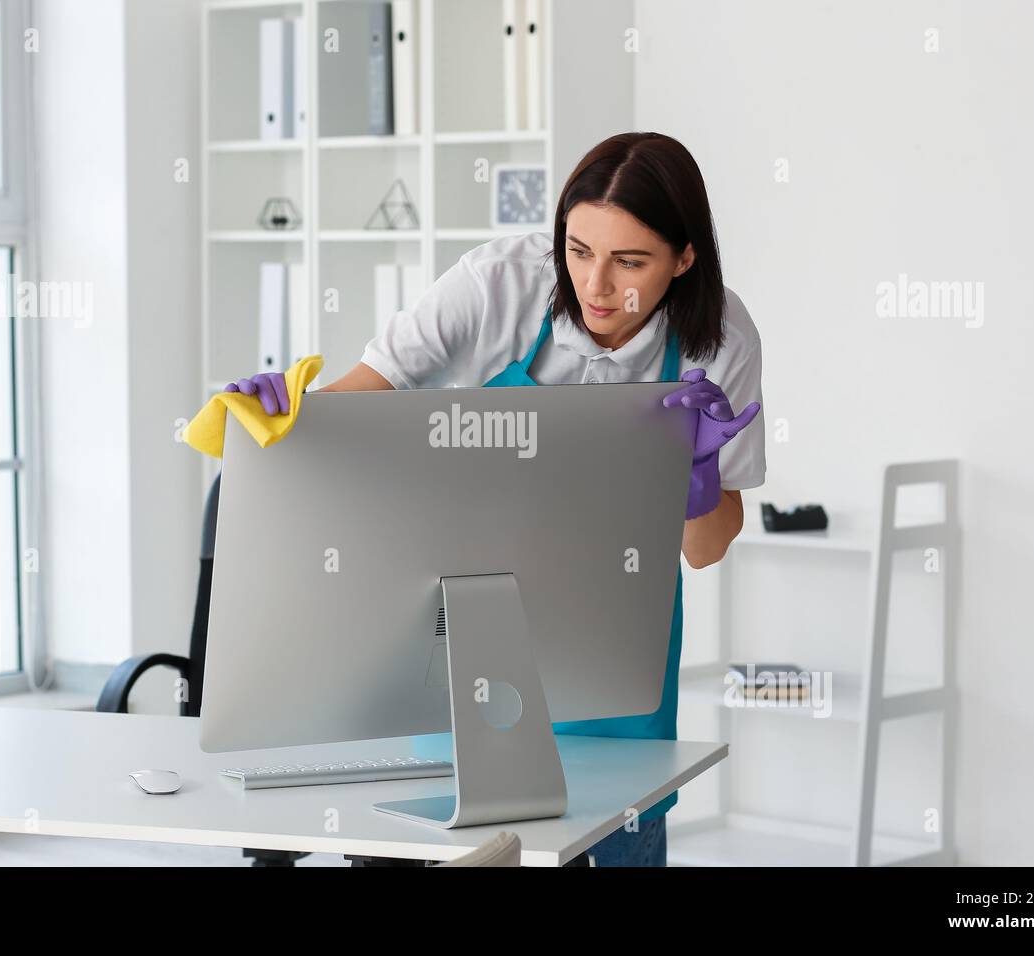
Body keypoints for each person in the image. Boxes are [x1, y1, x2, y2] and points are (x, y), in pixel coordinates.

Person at [225, 131, 765, 866]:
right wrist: (285, 418)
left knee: (613, 829)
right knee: (453, 832)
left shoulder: (722, 339)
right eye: (578, 250)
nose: (596, 286)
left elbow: (703, 551)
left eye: (629, 262)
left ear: (686, 256)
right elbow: (359, 406)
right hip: (468, 622)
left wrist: (695, 480)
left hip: (615, 638)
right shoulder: (497, 286)